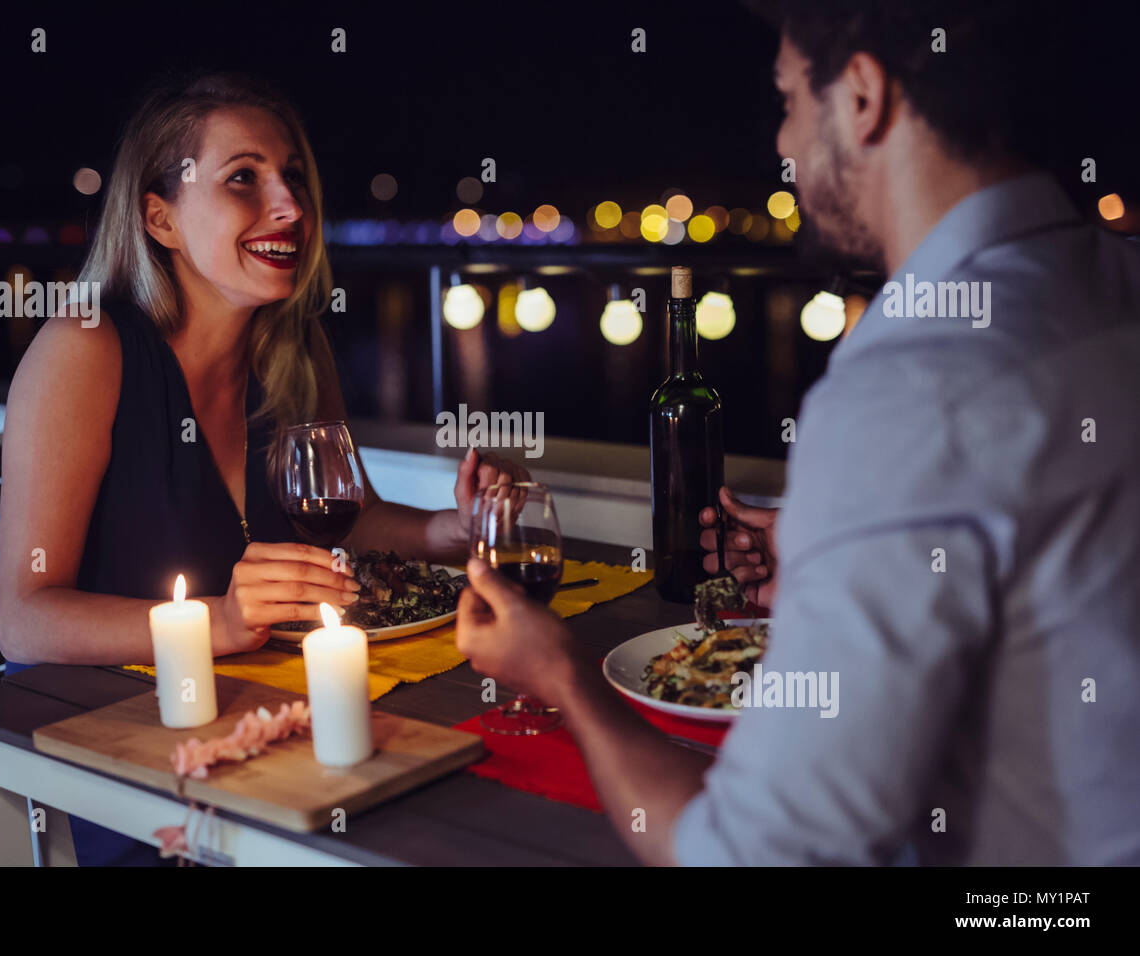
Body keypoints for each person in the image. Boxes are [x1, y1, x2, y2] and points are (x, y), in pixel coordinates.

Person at [456, 1, 1140, 865]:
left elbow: (748, 856)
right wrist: (839, 548)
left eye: (787, 99)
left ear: (862, 98)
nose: (782, 143)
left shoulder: (905, 391)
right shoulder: (1119, 280)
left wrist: (558, 675)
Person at [0, 72, 527, 864]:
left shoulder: (292, 349)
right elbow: (24, 617)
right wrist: (221, 620)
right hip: (129, 765)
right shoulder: (86, 348)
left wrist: (454, 529)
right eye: (244, 178)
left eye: (294, 178)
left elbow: (352, 517)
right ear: (160, 217)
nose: (290, 207)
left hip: (266, 730)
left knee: (475, 805)